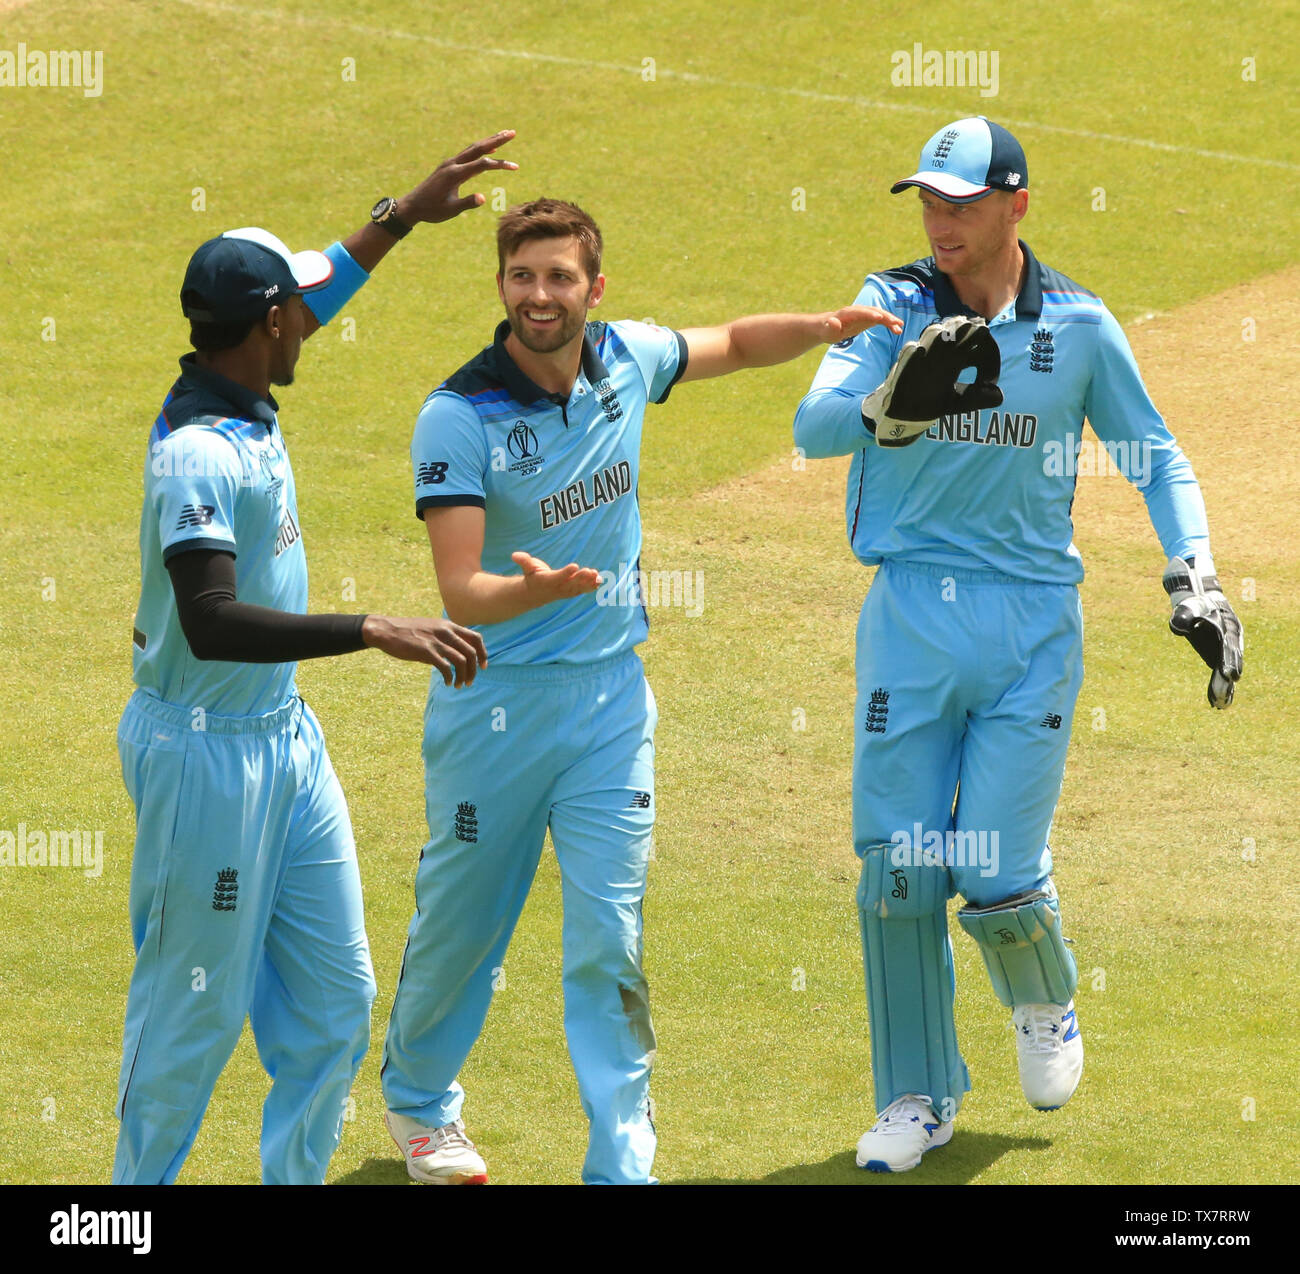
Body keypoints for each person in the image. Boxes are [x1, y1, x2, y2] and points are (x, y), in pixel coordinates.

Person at [379, 197, 904, 1185]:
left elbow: (734, 343)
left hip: (611, 705)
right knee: (460, 926)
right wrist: (524, 589)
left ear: (593, 287)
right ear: (500, 284)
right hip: (493, 703)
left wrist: (825, 329)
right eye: (523, 276)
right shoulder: (458, 414)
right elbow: (459, 590)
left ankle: (621, 1159)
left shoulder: (626, 358)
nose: (540, 295)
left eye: (559, 277)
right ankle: (420, 1107)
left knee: (607, 936)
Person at [793, 116, 1242, 1173]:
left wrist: (1197, 573)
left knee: (991, 866)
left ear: (1016, 207)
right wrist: (882, 401)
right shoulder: (890, 302)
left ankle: (1042, 995)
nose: (939, 222)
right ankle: (916, 1095)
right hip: (908, 613)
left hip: (1033, 621)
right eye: (928, 202)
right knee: (899, 868)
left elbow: (1156, 456)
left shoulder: (1079, 328)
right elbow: (811, 428)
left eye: (960, 202)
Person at [114, 132, 517, 1185]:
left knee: (334, 1000)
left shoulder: (240, 374)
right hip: (202, 753)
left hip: (282, 740)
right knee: (189, 1014)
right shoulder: (199, 451)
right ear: (266, 323)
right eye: (295, 304)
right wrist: (371, 626)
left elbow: (321, 287)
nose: (311, 314)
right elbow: (210, 617)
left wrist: (401, 216)